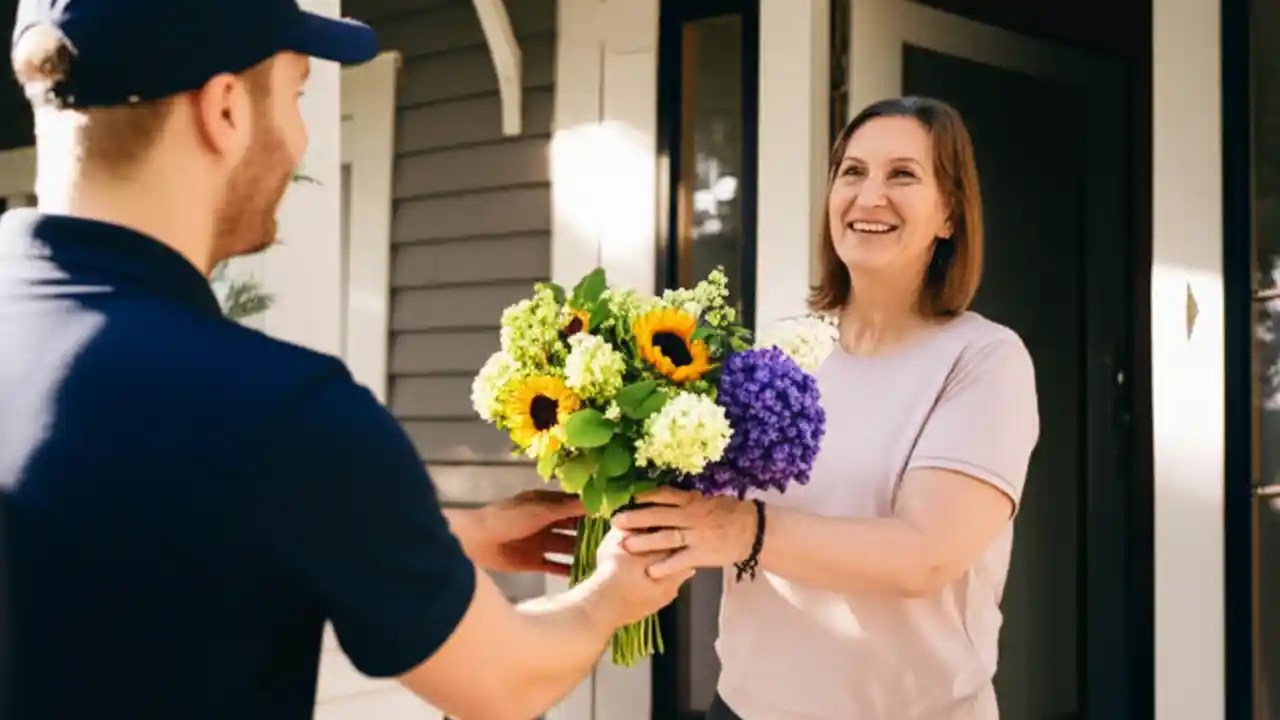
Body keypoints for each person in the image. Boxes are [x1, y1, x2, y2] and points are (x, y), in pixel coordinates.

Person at [0, 1, 691, 719]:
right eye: (298, 95)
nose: (302, 138)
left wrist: (453, 537)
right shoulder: (278, 412)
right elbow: (505, 681)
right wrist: (614, 593)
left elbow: (138, 530)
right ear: (226, 110)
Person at [613, 96, 1041, 720]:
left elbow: (925, 555)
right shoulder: (782, 348)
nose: (870, 196)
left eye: (903, 174)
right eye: (852, 172)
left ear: (949, 213)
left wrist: (742, 530)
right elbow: (695, 499)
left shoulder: (984, 360)